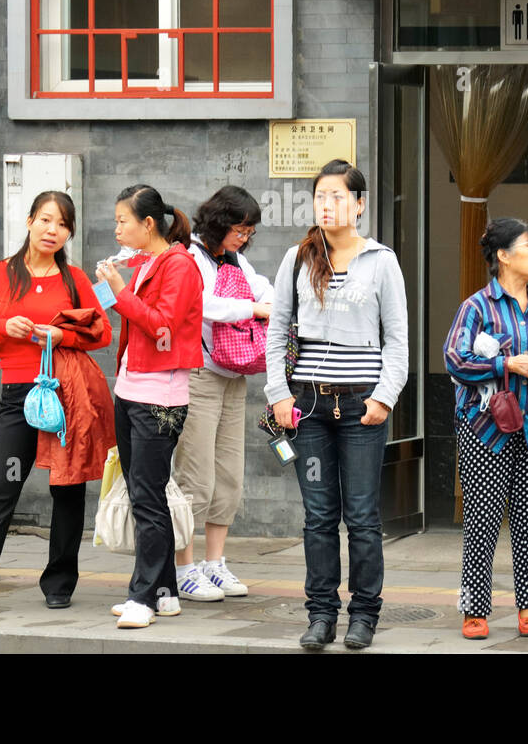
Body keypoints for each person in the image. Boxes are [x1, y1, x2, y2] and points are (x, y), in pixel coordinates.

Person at [0, 190, 109, 613]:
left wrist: (63, 336)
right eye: (46, 220)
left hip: (65, 396)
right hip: (19, 398)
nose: (53, 230)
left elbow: (102, 332)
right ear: (29, 221)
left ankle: (60, 582)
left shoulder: (76, 279)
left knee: (67, 489)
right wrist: (5, 327)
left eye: (63, 224)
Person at [266, 159, 408, 651]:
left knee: (364, 517)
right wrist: (279, 395)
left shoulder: (381, 260)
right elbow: (277, 329)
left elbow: (398, 340)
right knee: (319, 516)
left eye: (338, 196)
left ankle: (364, 615)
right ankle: (321, 614)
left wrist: (383, 398)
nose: (327, 205)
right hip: (307, 409)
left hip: (360, 409)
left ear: (360, 204)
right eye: (321, 196)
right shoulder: (297, 258)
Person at [443, 218, 528, 640]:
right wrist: (509, 363)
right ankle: (474, 608)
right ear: (503, 256)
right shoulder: (476, 308)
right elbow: (454, 360)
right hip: (485, 429)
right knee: (482, 519)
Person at [95, 184, 204, 629]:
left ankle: (142, 596)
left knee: (147, 494)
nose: (117, 228)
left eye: (123, 220)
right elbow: (126, 315)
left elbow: (161, 326)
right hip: (130, 387)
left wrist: (120, 292)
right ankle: (163, 593)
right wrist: (106, 291)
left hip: (160, 395)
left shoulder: (180, 266)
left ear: (148, 224)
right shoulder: (145, 262)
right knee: (145, 491)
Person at [174, 186, 274, 601]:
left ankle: (215, 564)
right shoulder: (189, 257)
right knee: (196, 475)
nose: (244, 237)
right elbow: (199, 305)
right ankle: (184, 567)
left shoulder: (236, 259)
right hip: (198, 376)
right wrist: (250, 309)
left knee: (229, 475)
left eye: (249, 230)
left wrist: (265, 302)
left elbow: (264, 290)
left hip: (234, 375)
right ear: (219, 223)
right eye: (239, 228)